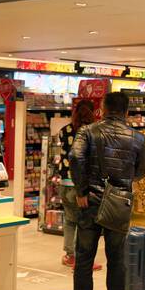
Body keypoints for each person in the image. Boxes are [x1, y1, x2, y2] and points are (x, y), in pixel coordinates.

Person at [68, 91, 145, 290]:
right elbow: (141, 171)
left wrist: (81, 190)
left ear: (102, 109)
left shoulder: (87, 131)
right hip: (118, 203)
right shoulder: (137, 138)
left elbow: (75, 157)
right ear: (126, 112)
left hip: (90, 201)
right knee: (117, 258)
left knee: (84, 257)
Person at [52, 98, 98, 268]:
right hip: (80, 186)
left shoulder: (65, 131)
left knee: (70, 220)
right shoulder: (92, 132)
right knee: (84, 223)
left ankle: (70, 255)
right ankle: (82, 258)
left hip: (64, 183)